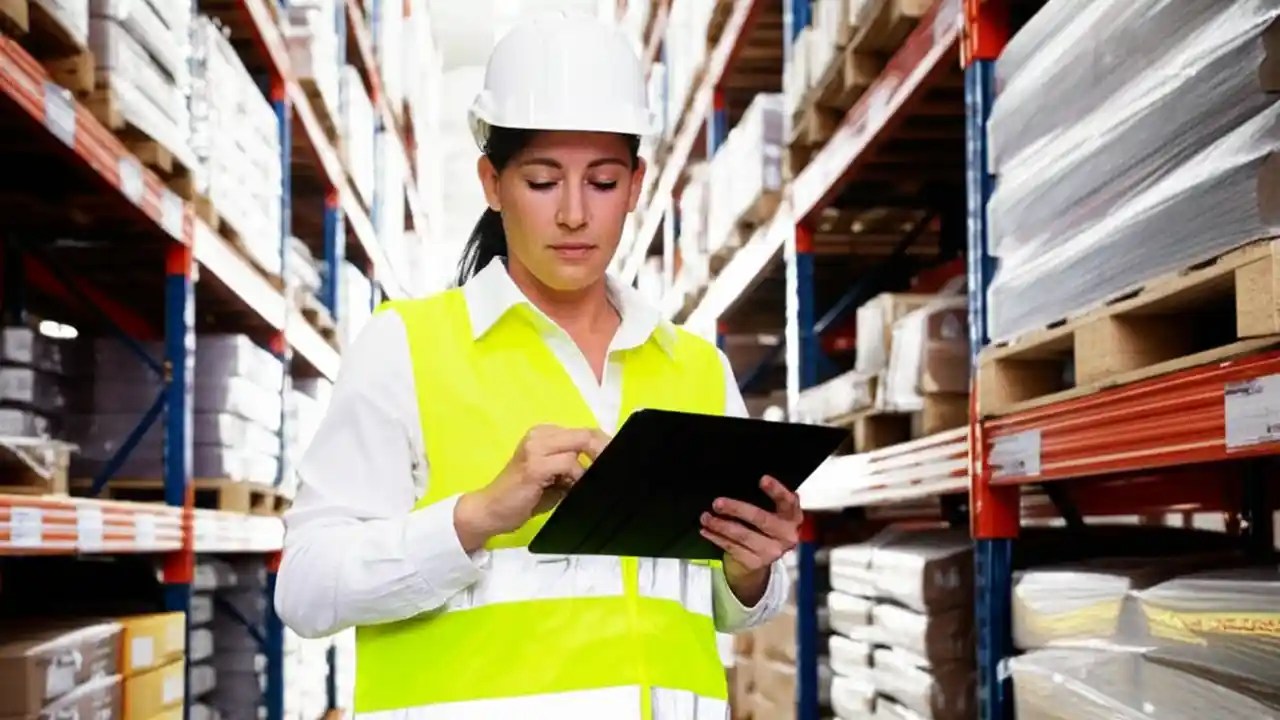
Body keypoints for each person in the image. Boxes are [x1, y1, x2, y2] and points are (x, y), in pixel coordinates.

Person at [274, 11, 802, 719]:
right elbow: (305, 590)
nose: (576, 215)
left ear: (638, 184)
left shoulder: (696, 369)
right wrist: (475, 517)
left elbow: (722, 612)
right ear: (493, 182)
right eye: (544, 181)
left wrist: (750, 567)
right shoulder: (408, 345)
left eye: (604, 182)